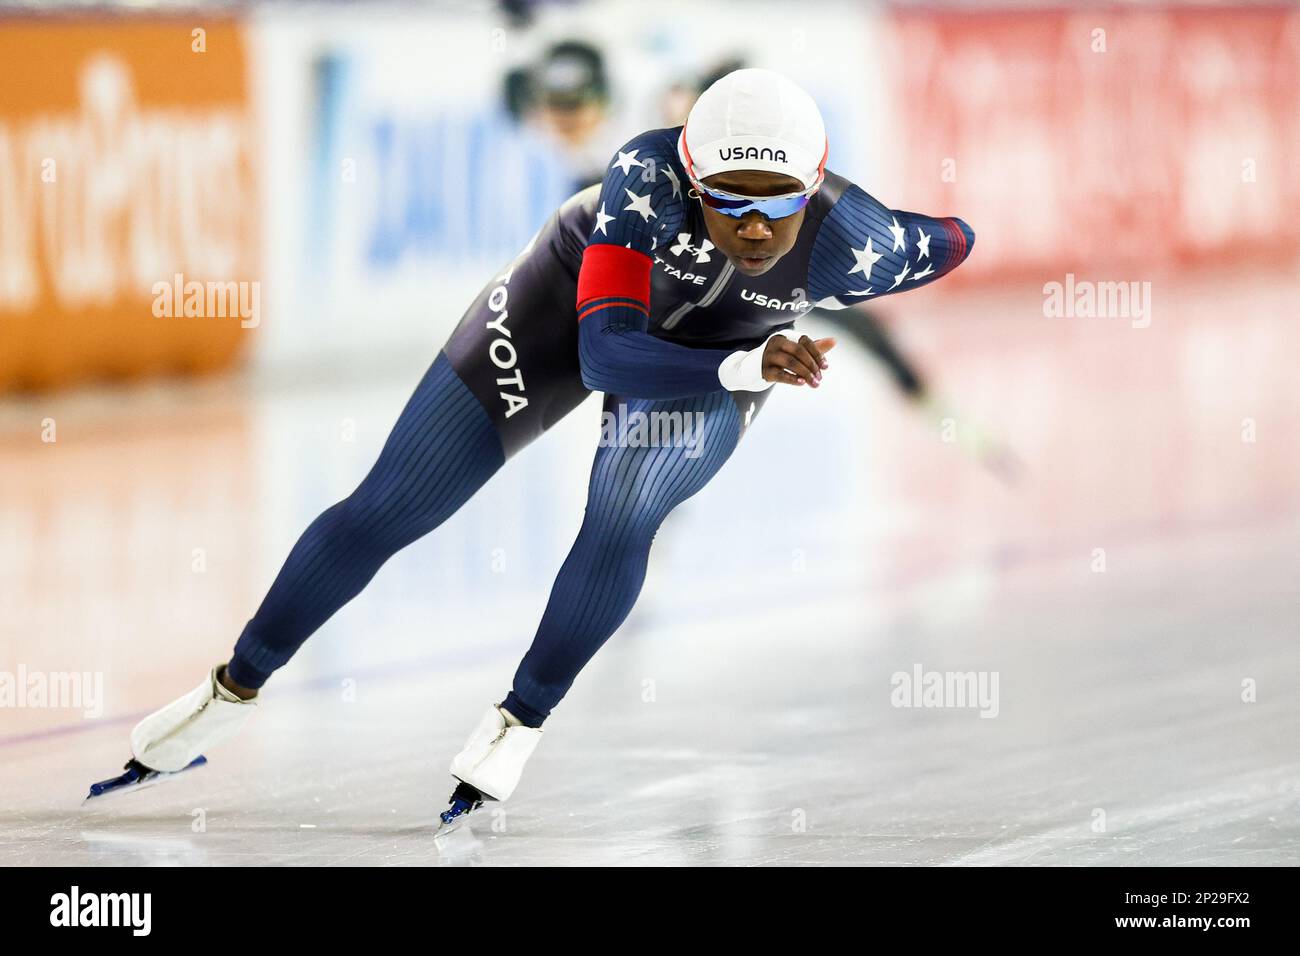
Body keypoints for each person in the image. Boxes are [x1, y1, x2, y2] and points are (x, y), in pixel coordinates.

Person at [90, 69, 975, 830]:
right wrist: (749, 363)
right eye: (727, 201)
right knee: (394, 503)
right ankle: (232, 688)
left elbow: (951, 240)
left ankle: (520, 719)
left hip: (713, 361)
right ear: (691, 181)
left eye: (776, 205)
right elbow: (605, 354)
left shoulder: (861, 245)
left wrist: (941, 239)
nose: (750, 226)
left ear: (814, 184)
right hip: (572, 307)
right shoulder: (644, 177)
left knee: (624, 514)